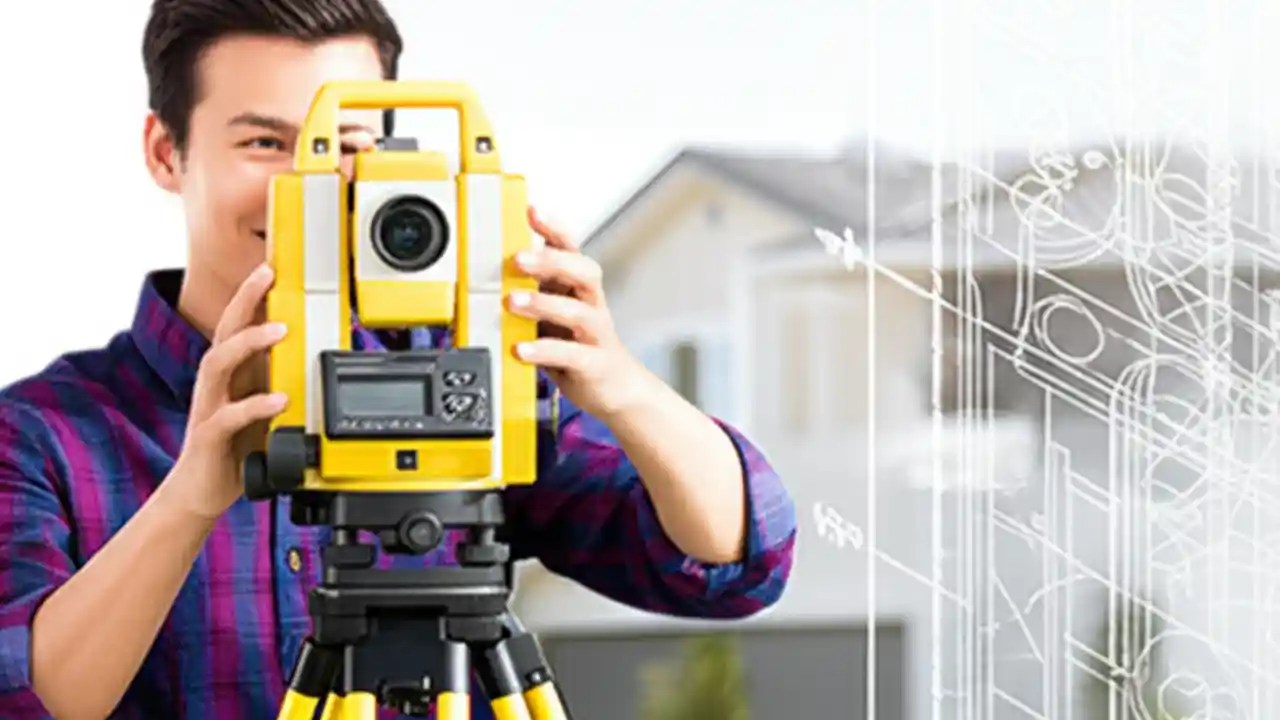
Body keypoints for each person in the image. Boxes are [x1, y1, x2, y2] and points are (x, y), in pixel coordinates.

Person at [0, 0, 798, 718]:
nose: (310, 183)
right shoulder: (42, 433)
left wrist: (620, 384)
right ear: (165, 152)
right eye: (267, 143)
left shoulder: (469, 378)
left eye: (341, 145)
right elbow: (26, 698)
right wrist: (189, 498)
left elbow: (734, 561)